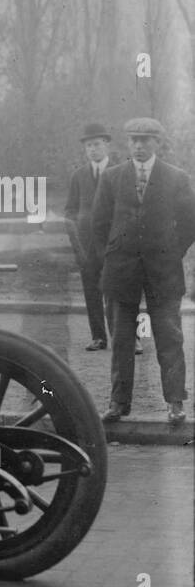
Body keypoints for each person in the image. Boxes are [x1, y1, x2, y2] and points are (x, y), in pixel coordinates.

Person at [90, 117, 195, 426]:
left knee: (169, 338)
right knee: (122, 340)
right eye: (134, 139)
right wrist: (110, 257)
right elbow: (98, 225)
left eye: (145, 140)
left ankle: (175, 403)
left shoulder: (177, 178)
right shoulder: (111, 178)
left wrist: (173, 251)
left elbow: (190, 222)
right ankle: (118, 403)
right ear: (127, 142)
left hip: (163, 270)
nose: (138, 145)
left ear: (158, 143)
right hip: (120, 271)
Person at [64, 123, 124, 352]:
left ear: (107, 144)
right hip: (87, 246)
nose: (93, 149)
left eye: (97, 144)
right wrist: (76, 239)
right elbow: (69, 211)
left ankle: (127, 338)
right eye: (88, 145)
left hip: (114, 245)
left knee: (119, 292)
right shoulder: (78, 176)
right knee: (91, 291)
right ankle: (98, 337)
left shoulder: (121, 172)